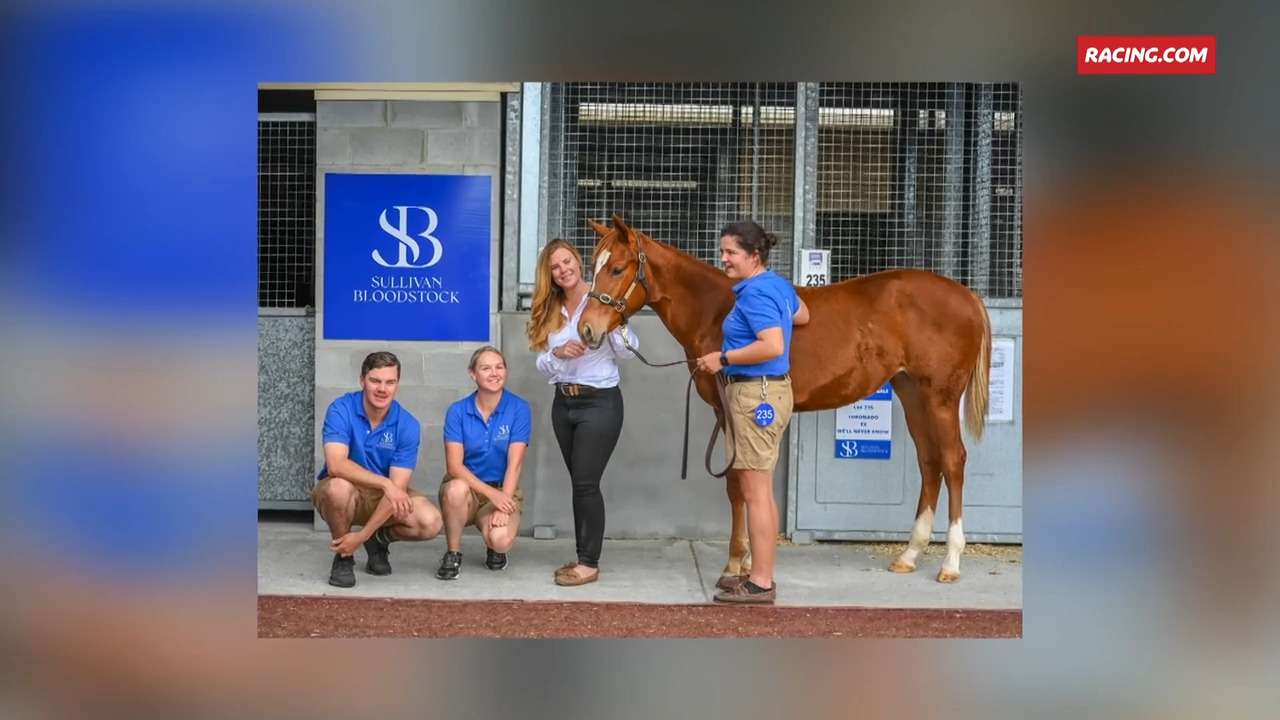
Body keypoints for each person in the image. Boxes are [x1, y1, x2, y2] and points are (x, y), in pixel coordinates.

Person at [695, 220, 810, 604]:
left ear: (753, 256)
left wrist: (722, 357)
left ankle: (760, 581)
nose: (723, 258)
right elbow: (802, 315)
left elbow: (773, 345)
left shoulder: (755, 294)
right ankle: (757, 573)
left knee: (757, 492)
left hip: (755, 395)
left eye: (731, 252)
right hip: (767, 392)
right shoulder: (775, 285)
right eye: (723, 250)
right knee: (755, 488)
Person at [527, 238, 638, 587]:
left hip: (599, 402)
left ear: (577, 261)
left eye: (566, 262)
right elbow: (541, 363)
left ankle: (589, 563)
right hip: (564, 404)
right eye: (555, 268)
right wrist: (558, 355)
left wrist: (615, 324)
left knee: (587, 484)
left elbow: (630, 352)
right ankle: (583, 554)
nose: (563, 271)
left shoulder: (603, 294)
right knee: (580, 485)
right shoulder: (550, 308)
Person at [312, 351, 444, 588]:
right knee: (339, 488)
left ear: (397, 384)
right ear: (362, 380)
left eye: (390, 382)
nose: (382, 388)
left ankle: (377, 539)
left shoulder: (407, 424)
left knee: (430, 522)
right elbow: (336, 464)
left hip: (384, 495)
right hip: (345, 487)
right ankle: (344, 556)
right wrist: (385, 484)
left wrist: (363, 535)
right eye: (375, 381)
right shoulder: (341, 408)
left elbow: (398, 486)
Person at [436, 345, 533, 580]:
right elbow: (454, 467)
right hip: (466, 490)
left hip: (503, 487)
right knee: (456, 488)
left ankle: (494, 548)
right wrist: (492, 495)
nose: (494, 373)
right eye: (486, 368)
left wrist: (503, 499)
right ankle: (453, 553)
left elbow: (515, 463)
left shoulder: (519, 408)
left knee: (501, 540)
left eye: (499, 367)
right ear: (473, 374)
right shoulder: (458, 411)